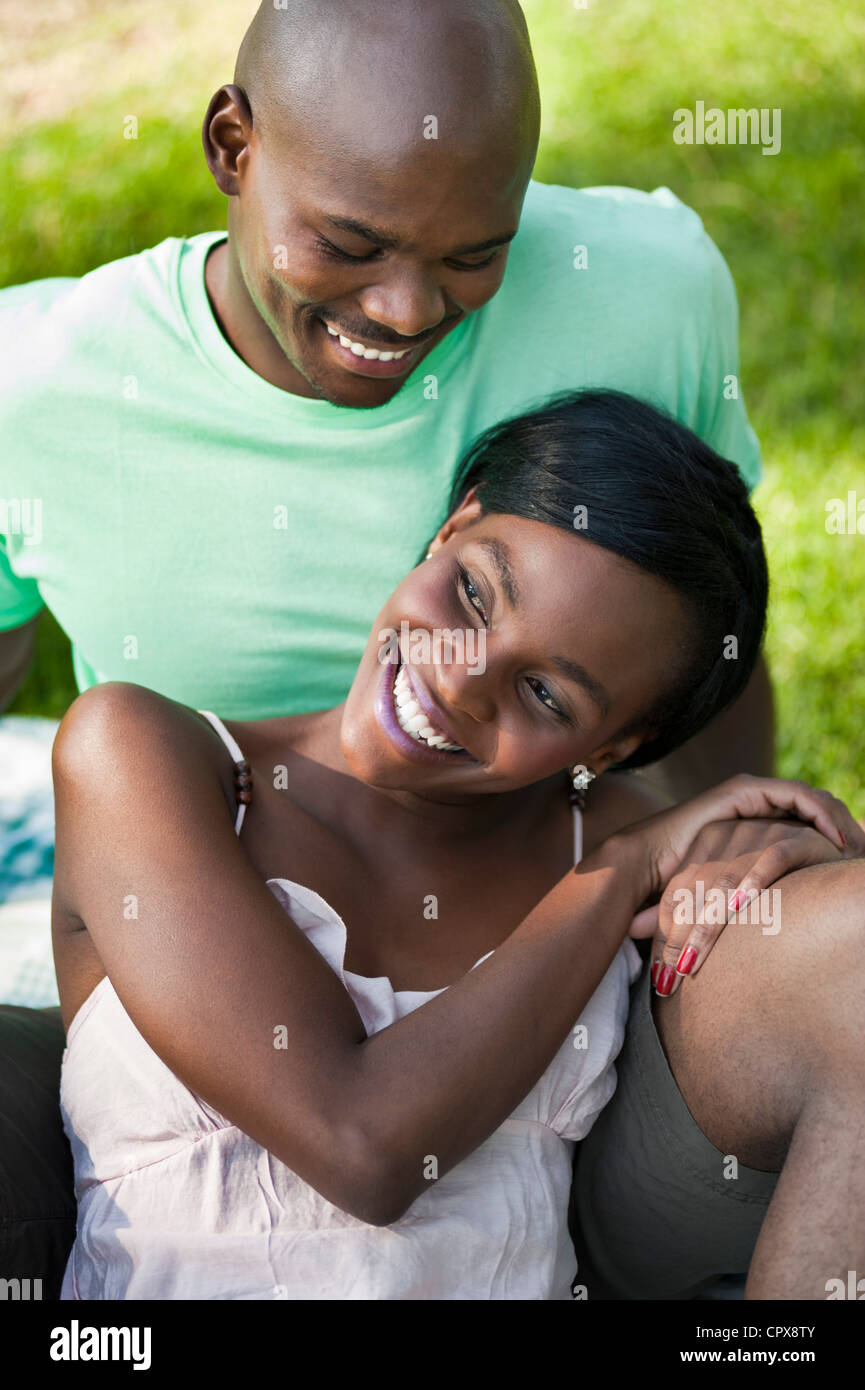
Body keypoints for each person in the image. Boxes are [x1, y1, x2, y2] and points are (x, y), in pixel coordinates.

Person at [0, 0, 771, 1294]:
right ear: (232, 145)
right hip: (199, 963)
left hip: (556, 999)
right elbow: (361, 1144)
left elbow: (707, 651)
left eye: (477, 253)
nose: (409, 307)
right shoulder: (37, 384)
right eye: (349, 243)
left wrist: (716, 855)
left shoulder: (647, 290)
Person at [50, 391, 863, 1300]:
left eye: (548, 696)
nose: (461, 679)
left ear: (610, 750)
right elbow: (362, 1148)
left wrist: (797, 849)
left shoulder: (630, 829)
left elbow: (824, 935)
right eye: (474, 592)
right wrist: (615, 876)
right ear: (453, 524)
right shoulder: (140, 754)